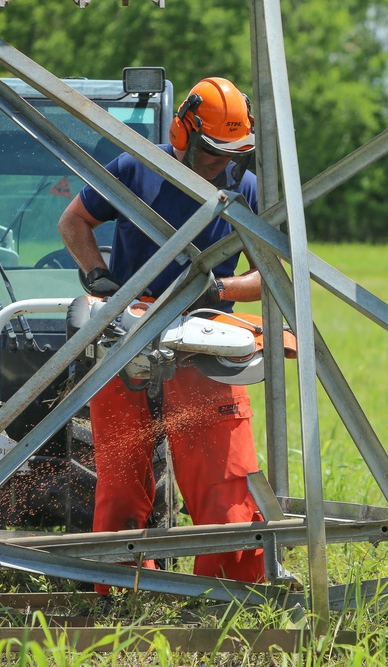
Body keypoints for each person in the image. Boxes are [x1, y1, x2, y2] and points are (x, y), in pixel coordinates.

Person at [58, 77, 265, 591]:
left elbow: (270, 275)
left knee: (225, 490)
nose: (222, 162)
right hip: (127, 340)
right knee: (120, 487)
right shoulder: (135, 169)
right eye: (213, 150)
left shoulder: (245, 188)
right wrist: (97, 275)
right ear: (183, 133)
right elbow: (74, 221)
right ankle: (120, 590)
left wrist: (218, 289)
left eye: (233, 151)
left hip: (206, 345)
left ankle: (228, 595)